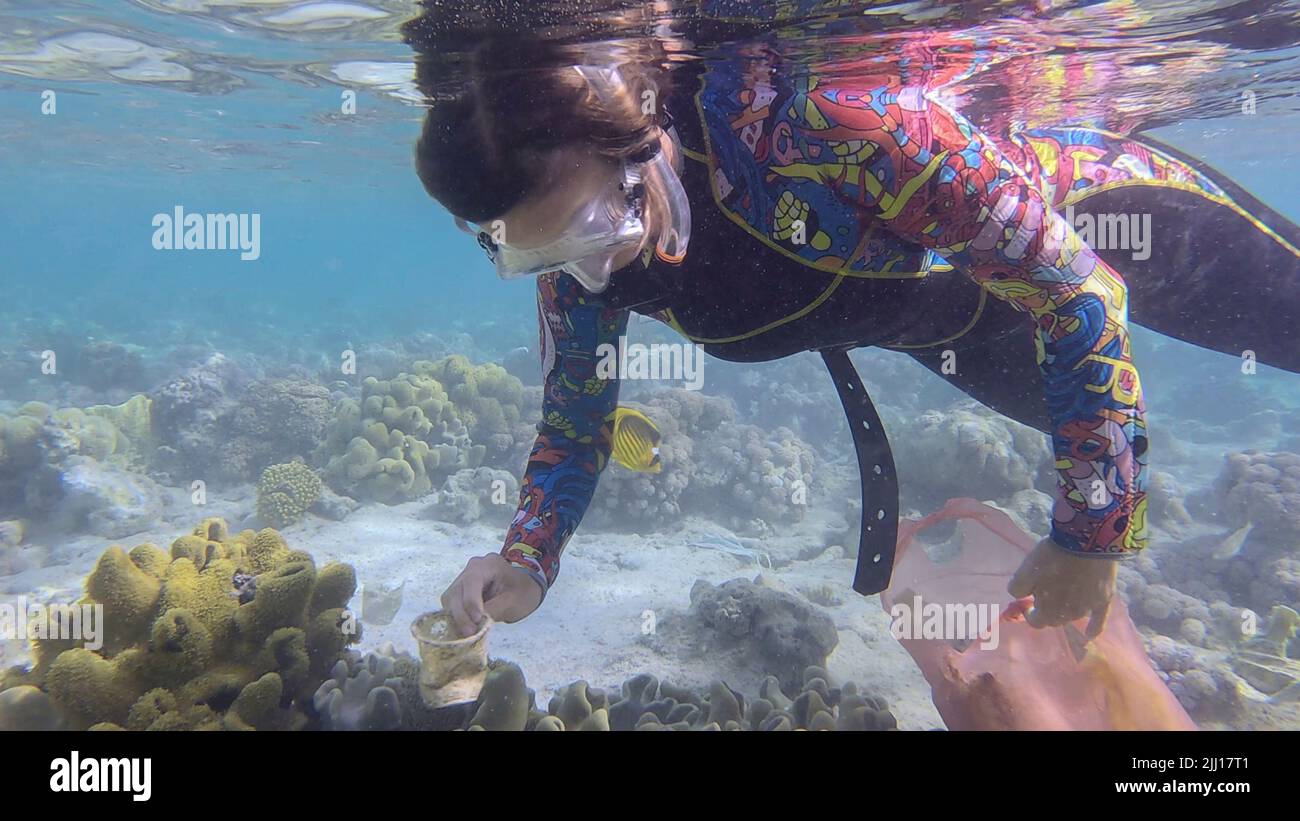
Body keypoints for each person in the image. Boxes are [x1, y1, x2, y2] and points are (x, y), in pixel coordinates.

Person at [402, 3, 1300, 639]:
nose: (587, 270)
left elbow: (1077, 294)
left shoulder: (824, 123)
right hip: (945, 328)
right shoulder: (578, 262)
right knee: (1125, 436)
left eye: (598, 228)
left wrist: (1091, 538)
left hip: (1119, 224)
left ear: (641, 147)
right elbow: (573, 424)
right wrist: (526, 560)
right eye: (537, 254)